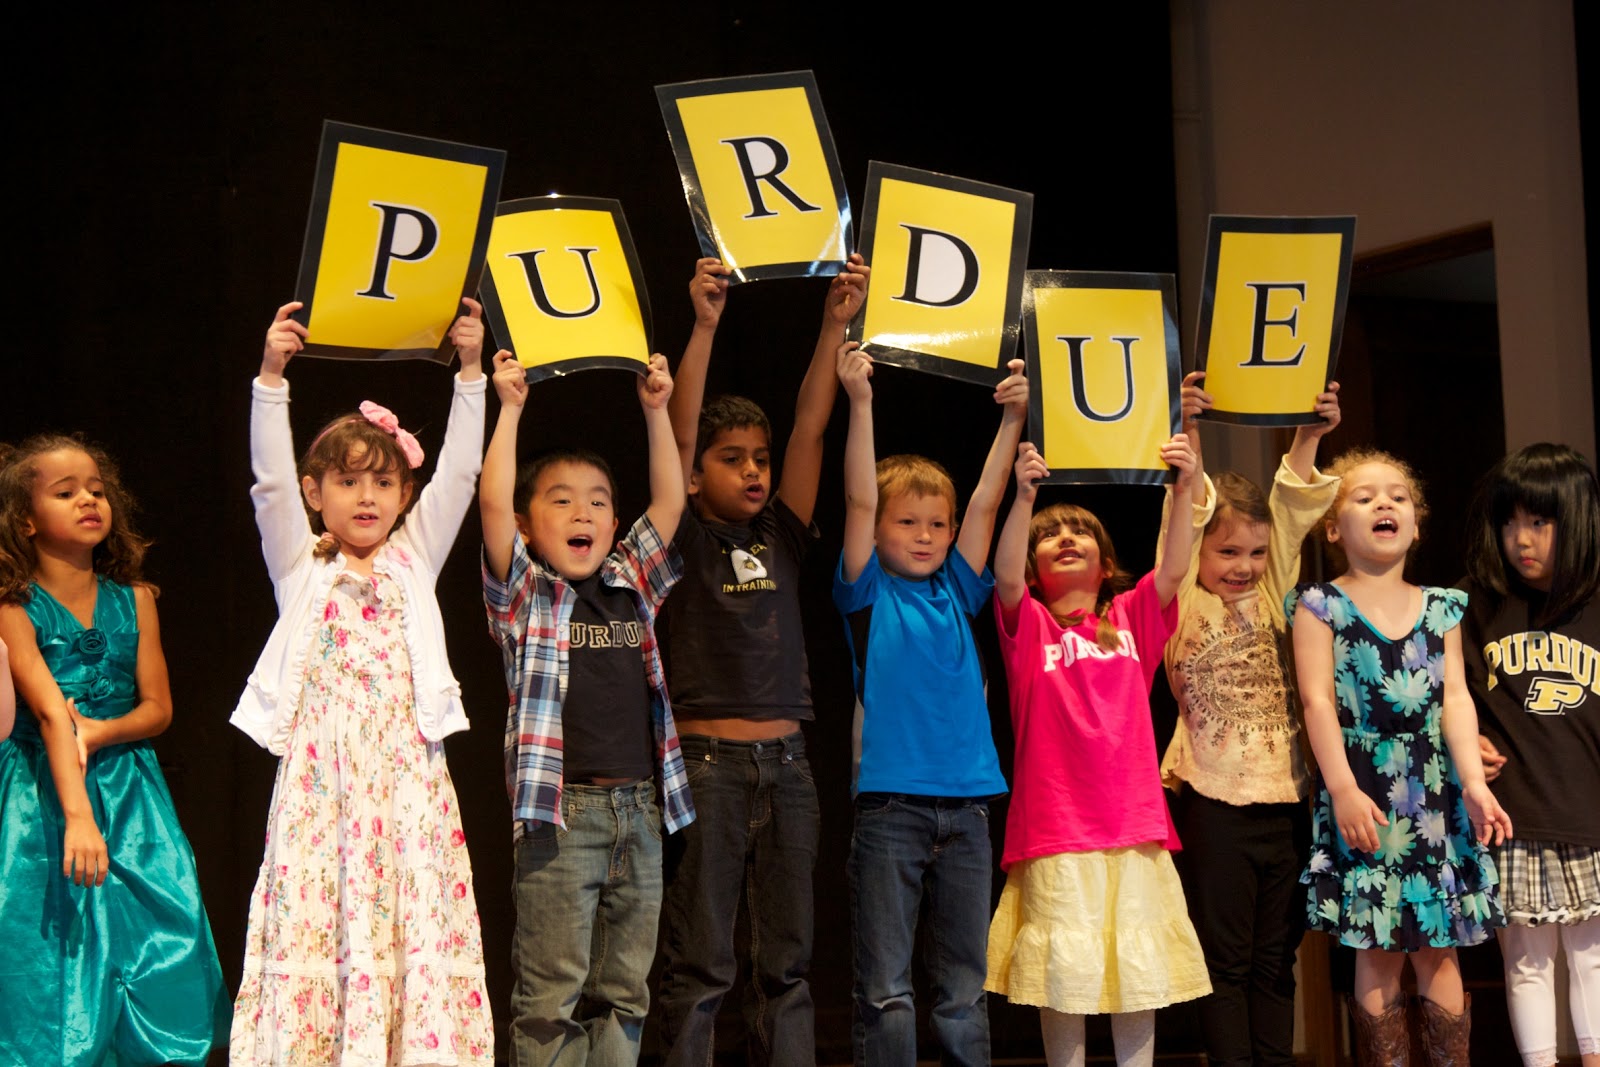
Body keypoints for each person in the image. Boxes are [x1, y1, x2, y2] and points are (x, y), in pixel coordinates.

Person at [230, 300, 493, 1065]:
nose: (368, 497)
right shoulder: (303, 563)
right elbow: (269, 483)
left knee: (409, 920)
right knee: (327, 917)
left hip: (409, 777)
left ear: (403, 496)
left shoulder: (414, 559)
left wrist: (471, 372)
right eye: (348, 482)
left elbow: (463, 473)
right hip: (323, 781)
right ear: (319, 492)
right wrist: (271, 377)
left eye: (383, 483)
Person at [655, 254, 868, 1064]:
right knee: (703, 960)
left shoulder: (780, 529)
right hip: (708, 762)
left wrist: (833, 324)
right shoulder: (683, 535)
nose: (751, 470)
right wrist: (705, 325)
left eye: (759, 458)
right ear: (699, 472)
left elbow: (812, 423)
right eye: (731, 457)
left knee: (788, 964)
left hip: (789, 765)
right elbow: (678, 427)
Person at [480, 347, 692, 1065]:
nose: (583, 512)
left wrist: (656, 412)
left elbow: (669, 504)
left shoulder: (630, 577)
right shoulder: (526, 594)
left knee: (626, 992)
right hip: (561, 819)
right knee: (550, 1001)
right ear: (528, 523)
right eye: (562, 499)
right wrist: (509, 408)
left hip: (640, 810)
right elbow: (489, 507)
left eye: (599, 500)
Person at [0, 435, 228, 1066]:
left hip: (128, 789)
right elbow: (49, 712)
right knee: (55, 937)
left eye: (96, 490)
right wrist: (78, 817)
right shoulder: (13, 608)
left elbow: (158, 709)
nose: (88, 501)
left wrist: (101, 732)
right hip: (42, 791)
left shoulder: (138, 601)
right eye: (65, 492)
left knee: (157, 927)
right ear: (25, 519)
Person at [985, 437, 1211, 1067]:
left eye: (1079, 532)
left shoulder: (1134, 617)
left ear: (1105, 562)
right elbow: (1001, 578)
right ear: (1035, 569)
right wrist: (1025, 495)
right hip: (1057, 827)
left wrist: (1184, 484)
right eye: (1049, 535)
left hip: (1130, 824)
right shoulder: (1028, 626)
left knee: (1136, 970)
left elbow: (1172, 569)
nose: (1065, 538)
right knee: (1066, 974)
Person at [832, 341, 1026, 1065]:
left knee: (963, 990)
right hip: (891, 808)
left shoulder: (957, 589)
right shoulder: (868, 592)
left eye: (935, 525)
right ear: (879, 530)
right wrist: (861, 402)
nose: (925, 535)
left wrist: (1012, 421)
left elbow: (983, 500)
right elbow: (856, 496)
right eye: (906, 521)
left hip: (970, 807)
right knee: (886, 989)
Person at [1288, 448, 1512, 1063]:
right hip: (1364, 788)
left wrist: (1473, 780)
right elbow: (1316, 705)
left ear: (1416, 522)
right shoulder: (1319, 605)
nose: (1384, 503)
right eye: (1364, 498)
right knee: (1377, 943)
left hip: (1434, 792)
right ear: (1334, 528)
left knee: (1438, 945)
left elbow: (1456, 700)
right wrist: (1342, 789)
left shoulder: (1442, 607)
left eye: (1398, 496)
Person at [1159, 373, 1341, 1065]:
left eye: (1255, 553)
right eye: (1228, 551)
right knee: (1225, 966)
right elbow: (1188, 515)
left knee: (1276, 962)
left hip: (1287, 801)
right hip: (1214, 802)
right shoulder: (1178, 600)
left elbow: (1291, 511)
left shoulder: (1273, 594)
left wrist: (1310, 434)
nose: (1243, 565)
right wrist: (1193, 436)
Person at [1461, 443, 1600, 1067]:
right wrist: (1464, 743)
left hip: (1589, 813)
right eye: (1511, 521)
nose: (1522, 539)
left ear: (1575, 522)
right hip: (1514, 817)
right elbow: (1445, 696)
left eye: (1539, 522)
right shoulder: (1477, 605)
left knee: (1593, 958)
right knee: (1525, 961)